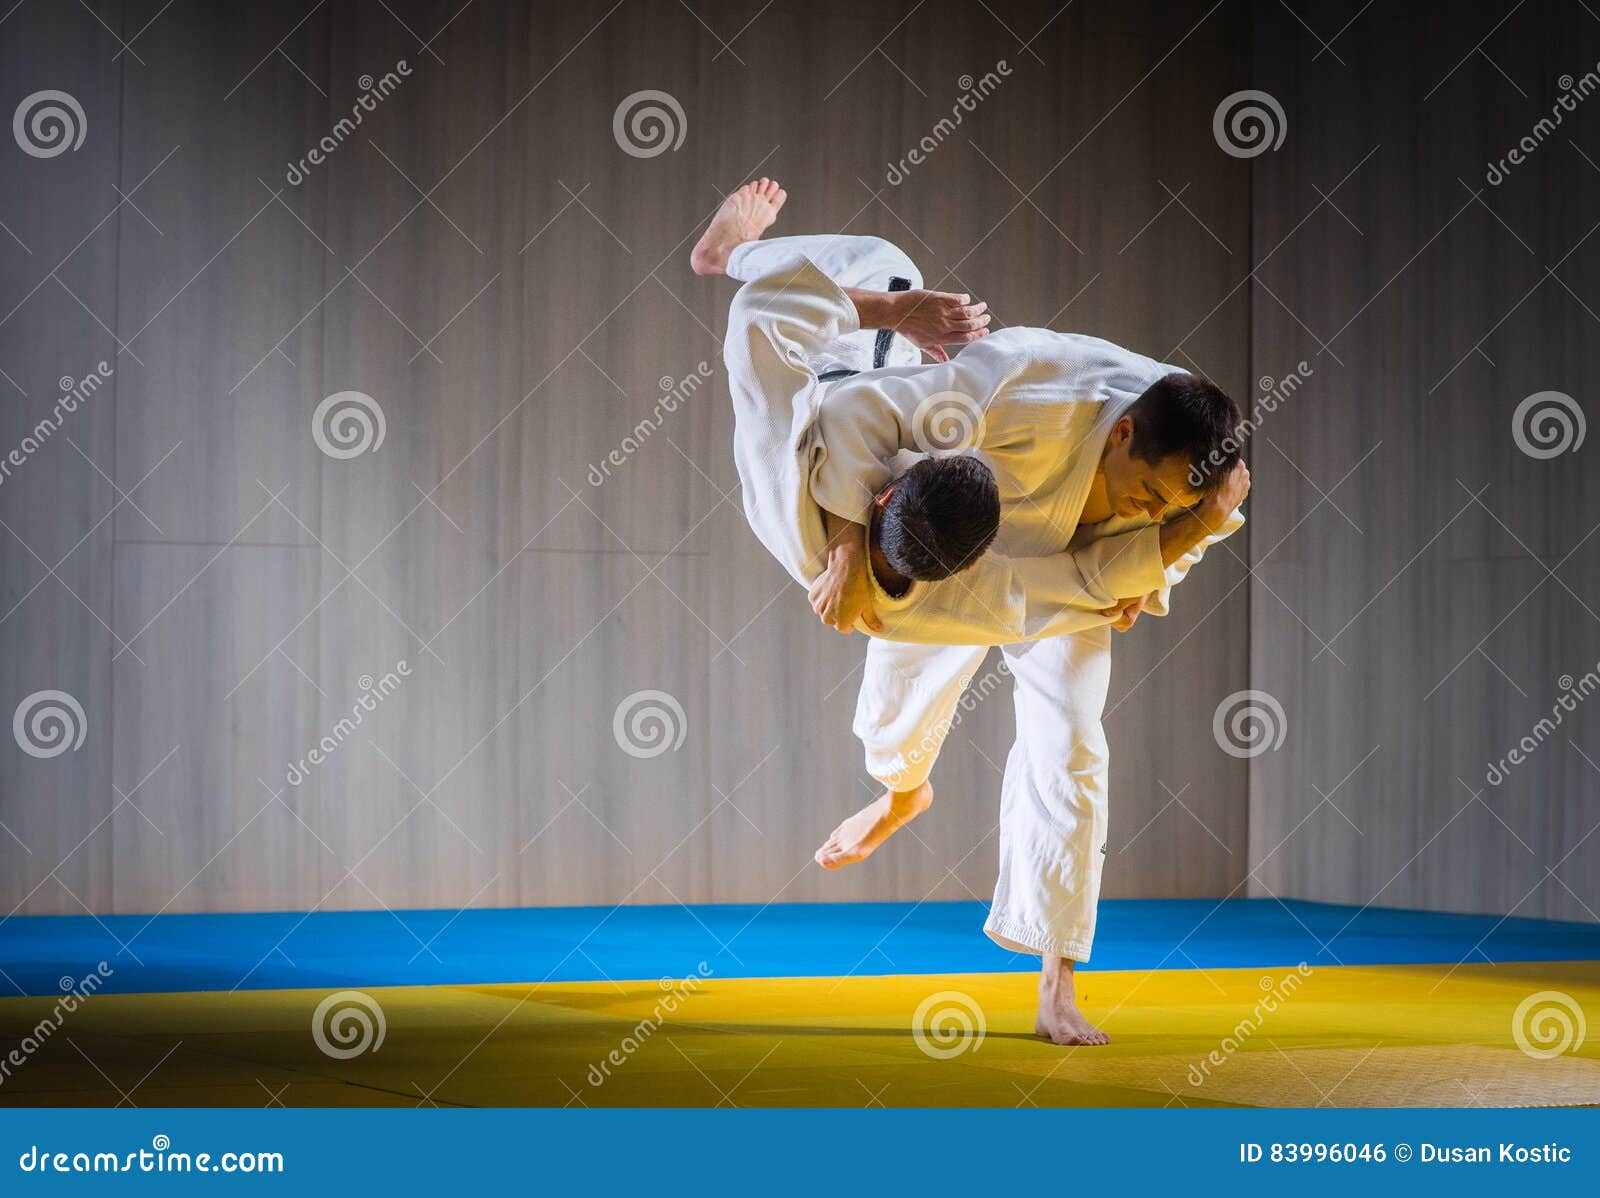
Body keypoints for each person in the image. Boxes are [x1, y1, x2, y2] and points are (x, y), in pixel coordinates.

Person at [694, 179, 1249, 1045]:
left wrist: (1169, 551)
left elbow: (1190, 519)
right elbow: (853, 415)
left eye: (1164, 506)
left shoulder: (1194, 468)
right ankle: (900, 788)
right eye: (1142, 492)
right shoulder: (1019, 385)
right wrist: (847, 548)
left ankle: (1057, 981)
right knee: (895, 702)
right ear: (1121, 436)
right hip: (955, 531)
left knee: (1072, 735)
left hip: (1060, 566)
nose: (1147, 509)